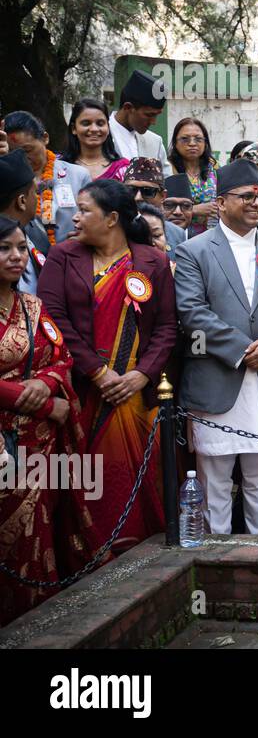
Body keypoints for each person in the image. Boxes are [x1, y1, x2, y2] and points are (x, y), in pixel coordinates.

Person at [37, 179, 176, 568]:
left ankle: (144, 565)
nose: (75, 218)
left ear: (112, 218)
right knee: (87, 481)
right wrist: (97, 372)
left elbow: (167, 327)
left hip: (136, 396)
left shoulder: (153, 261)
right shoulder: (62, 256)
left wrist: (141, 376)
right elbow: (53, 320)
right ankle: (88, 560)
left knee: (140, 483)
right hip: (83, 391)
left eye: (84, 210)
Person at [173, 158, 258, 535]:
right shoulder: (193, 251)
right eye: (245, 196)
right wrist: (244, 349)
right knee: (213, 488)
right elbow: (191, 312)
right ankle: (215, 574)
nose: (255, 202)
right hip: (217, 382)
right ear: (219, 202)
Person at [0, 216, 76, 625]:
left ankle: (37, 619)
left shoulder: (32, 307)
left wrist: (47, 384)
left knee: (37, 533)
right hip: (7, 439)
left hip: (34, 443)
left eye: (19, 247)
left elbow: (62, 359)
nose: (16, 256)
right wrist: (45, 405)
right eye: (4, 248)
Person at [3, 111, 89, 246]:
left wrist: (86, 235)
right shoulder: (6, 181)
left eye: (27, 150)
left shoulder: (79, 175)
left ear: (45, 138)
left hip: (71, 255)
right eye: (13, 152)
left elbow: (93, 218)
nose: (21, 157)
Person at [0, 149, 46, 294]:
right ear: (22, 201)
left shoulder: (35, 231)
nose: (16, 256)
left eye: (21, 248)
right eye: (35, 193)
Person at [110, 71, 172, 176]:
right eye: (149, 115)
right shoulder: (98, 136)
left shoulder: (155, 142)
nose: (153, 122)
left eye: (156, 115)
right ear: (128, 107)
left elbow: (167, 184)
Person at [167, 117, 219, 235]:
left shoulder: (214, 168)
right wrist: (194, 210)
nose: (192, 143)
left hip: (211, 236)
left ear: (205, 143)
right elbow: (160, 207)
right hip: (177, 235)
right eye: (185, 139)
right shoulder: (167, 168)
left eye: (198, 139)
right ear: (175, 143)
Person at [123, 157, 186, 252]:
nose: (138, 197)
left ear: (163, 196)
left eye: (147, 191)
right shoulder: (112, 229)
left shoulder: (176, 234)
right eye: (131, 190)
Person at [63, 98, 129, 182]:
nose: (94, 129)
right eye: (86, 123)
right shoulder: (58, 166)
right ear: (73, 128)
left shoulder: (123, 169)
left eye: (100, 123)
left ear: (108, 128)